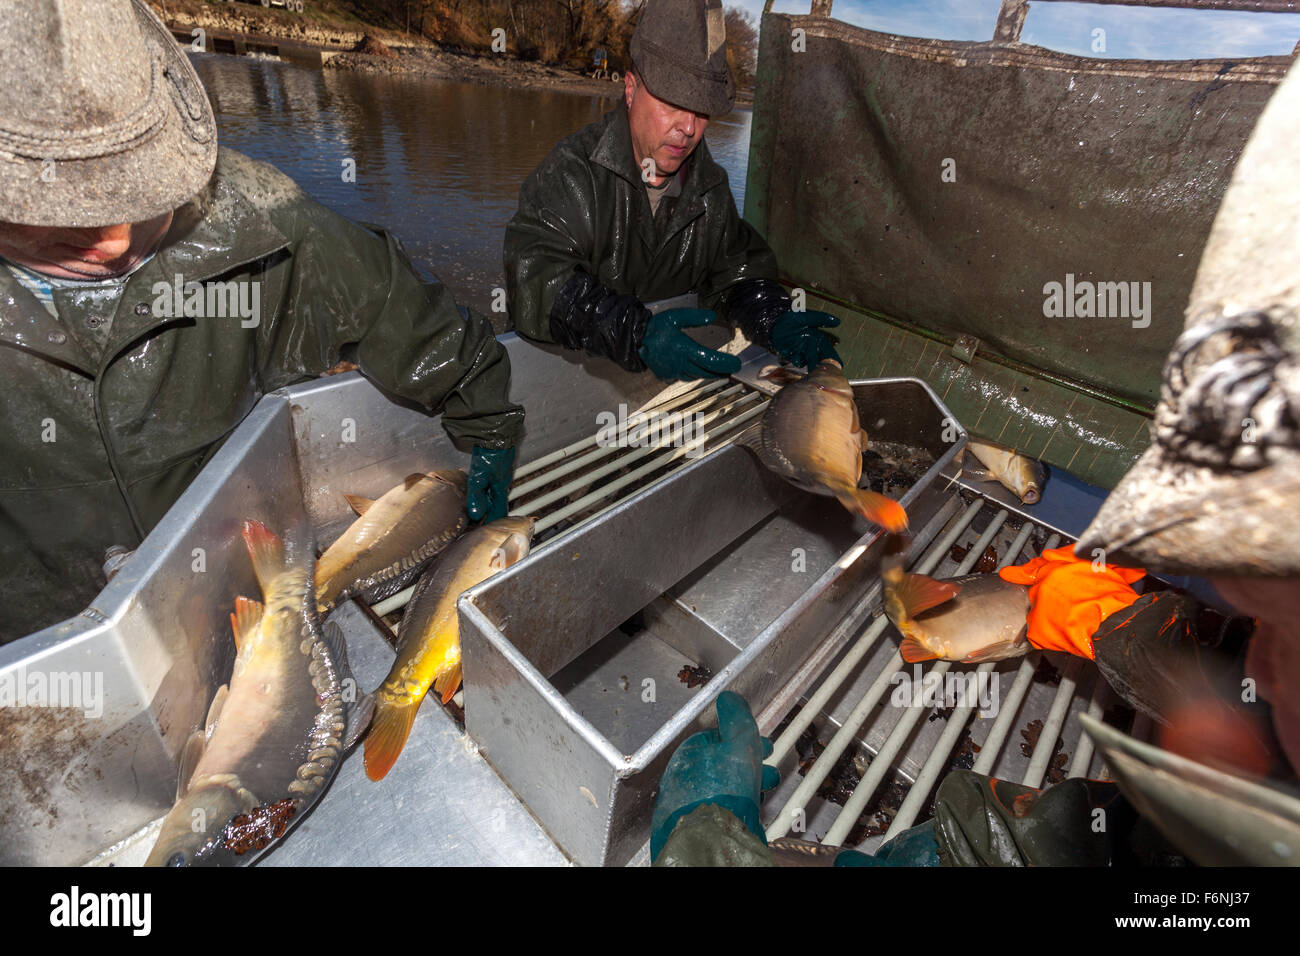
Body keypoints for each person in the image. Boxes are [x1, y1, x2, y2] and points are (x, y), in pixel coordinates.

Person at [0, 0, 522, 642]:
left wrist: (490, 417)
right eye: (51, 209)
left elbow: (404, 312)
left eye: (134, 189)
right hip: (36, 642)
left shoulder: (268, 222)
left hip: (238, 596)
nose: (110, 240)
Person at [503, 0, 840, 382]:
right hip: (557, 381)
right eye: (673, 103)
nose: (688, 128)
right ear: (630, 90)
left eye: (700, 111)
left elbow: (735, 272)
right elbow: (536, 277)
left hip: (653, 392)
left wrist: (772, 315)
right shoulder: (571, 173)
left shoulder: (710, 189)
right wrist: (637, 333)